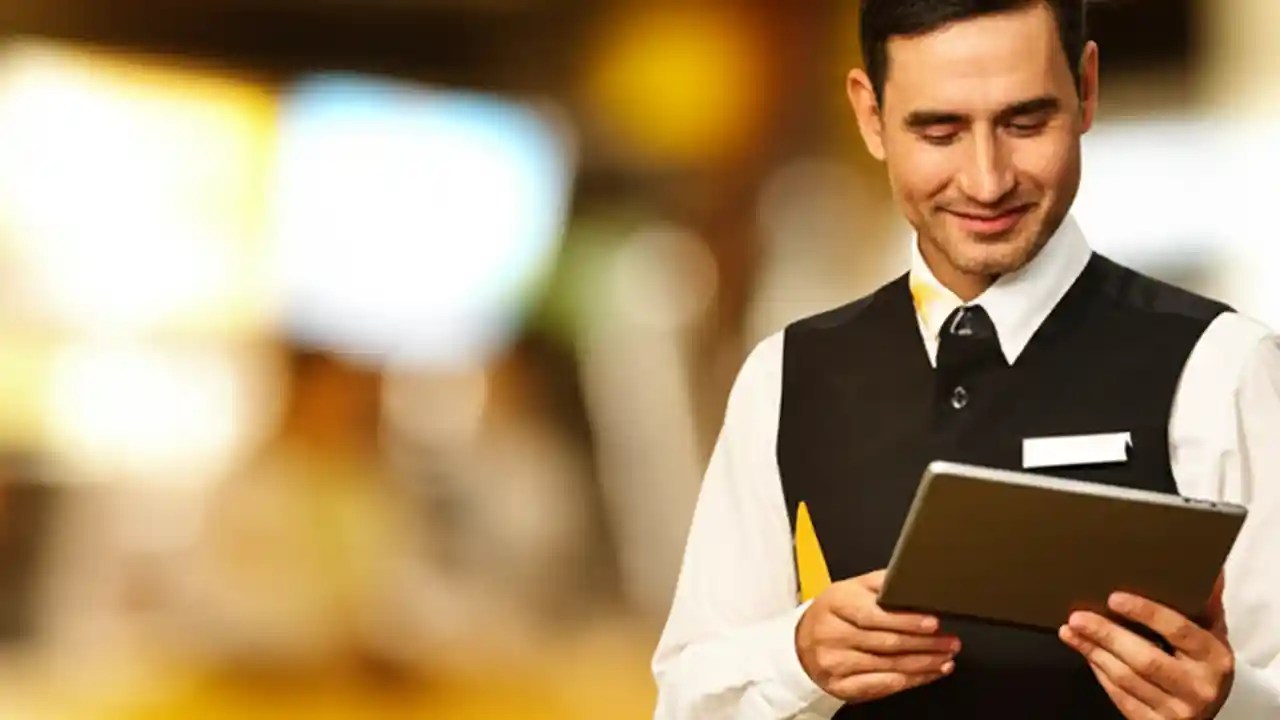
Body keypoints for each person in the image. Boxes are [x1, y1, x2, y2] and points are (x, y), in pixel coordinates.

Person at [651, 1, 1280, 718]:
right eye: (940, 130)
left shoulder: (1222, 367)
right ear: (869, 114)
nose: (986, 180)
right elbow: (685, 700)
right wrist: (796, 657)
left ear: (1087, 90)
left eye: (1023, 122)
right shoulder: (786, 377)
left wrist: (1232, 705)